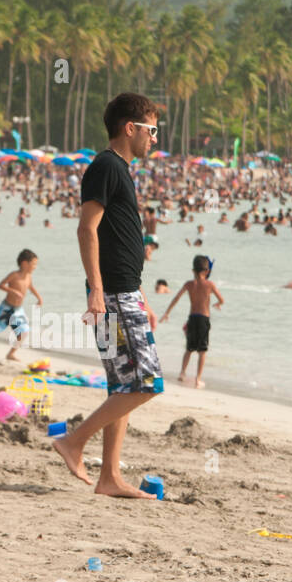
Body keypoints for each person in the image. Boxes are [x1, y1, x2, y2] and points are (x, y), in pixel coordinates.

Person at [50, 92, 163, 500]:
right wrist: (97, 290)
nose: (155, 138)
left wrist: (143, 297)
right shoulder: (106, 167)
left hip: (123, 291)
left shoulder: (118, 169)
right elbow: (87, 229)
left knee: (123, 387)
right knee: (146, 383)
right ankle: (73, 442)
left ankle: (109, 477)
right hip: (112, 294)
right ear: (130, 128)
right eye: (151, 130)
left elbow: (120, 241)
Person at [164, 255, 223, 389]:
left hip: (192, 318)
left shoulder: (189, 284)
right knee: (202, 351)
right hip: (203, 319)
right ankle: (198, 379)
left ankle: (182, 373)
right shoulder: (210, 284)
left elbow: (176, 298)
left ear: (193, 270)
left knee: (189, 349)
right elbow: (222, 299)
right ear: (207, 271)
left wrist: (167, 313)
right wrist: (217, 304)